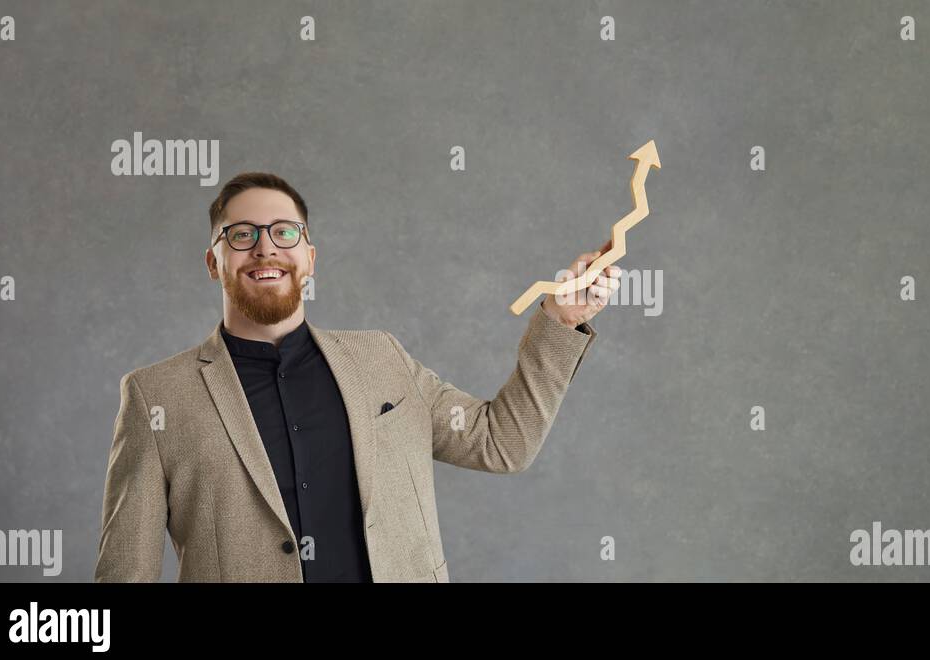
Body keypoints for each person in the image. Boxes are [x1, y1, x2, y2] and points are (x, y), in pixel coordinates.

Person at [95, 172, 620, 582]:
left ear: (310, 258)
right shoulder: (155, 397)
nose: (265, 247)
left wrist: (559, 321)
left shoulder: (382, 360)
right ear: (213, 261)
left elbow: (503, 443)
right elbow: (125, 576)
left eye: (284, 232)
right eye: (241, 235)